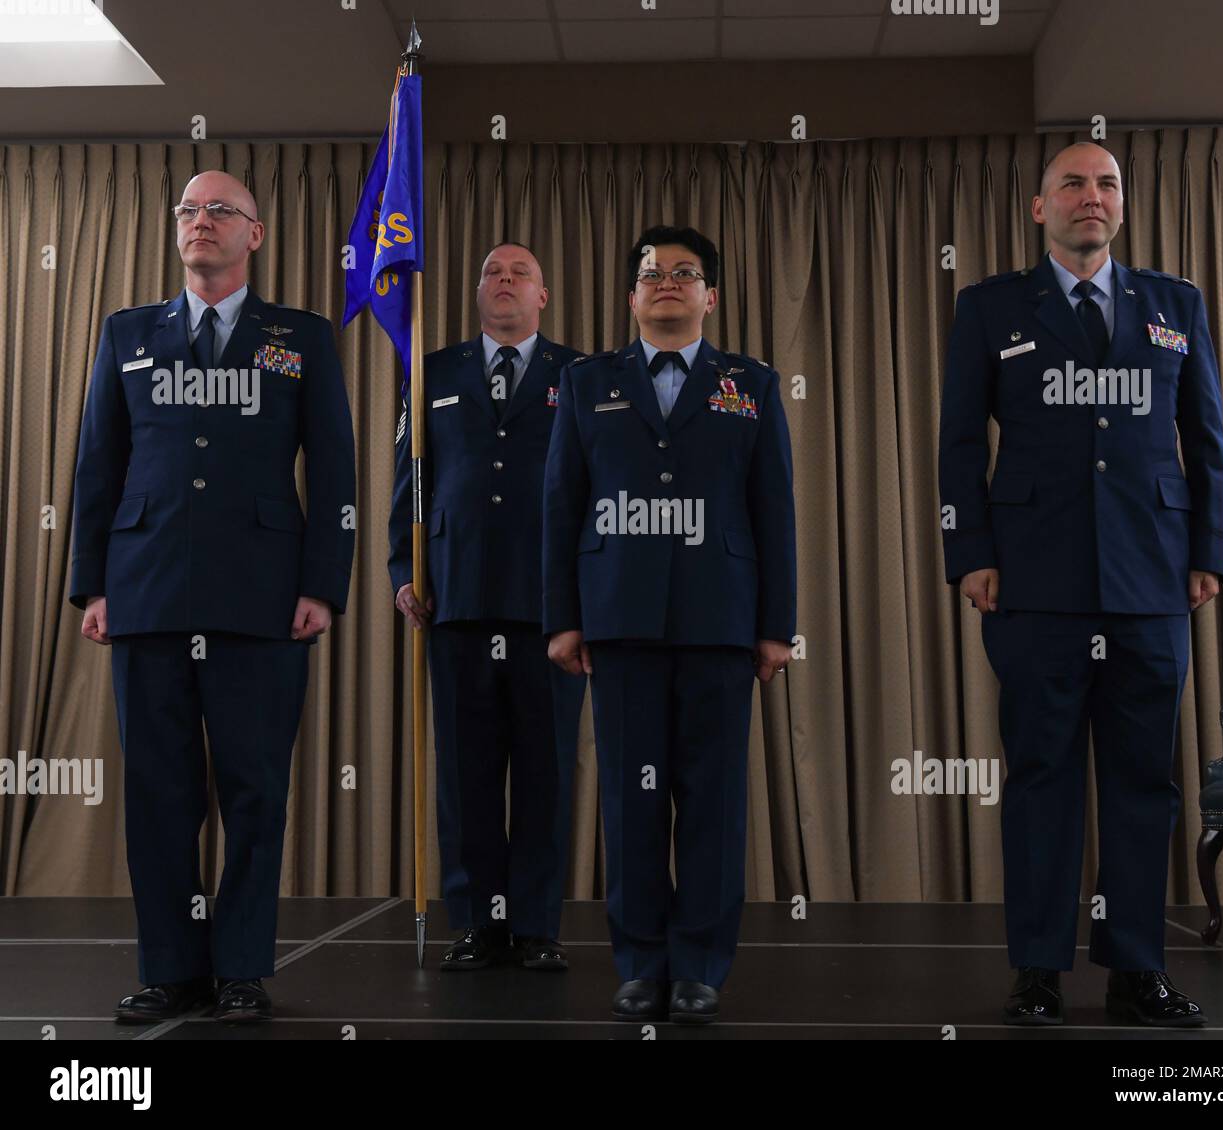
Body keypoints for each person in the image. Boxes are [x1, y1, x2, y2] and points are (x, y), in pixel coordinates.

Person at [939, 142, 1223, 1027]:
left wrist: (1209, 552)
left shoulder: (1176, 305)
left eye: (1106, 184)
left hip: (1150, 580)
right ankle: (1038, 969)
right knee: (1040, 778)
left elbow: (1207, 440)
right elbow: (958, 445)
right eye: (1072, 183)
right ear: (1040, 209)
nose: (1090, 197)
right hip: (1033, 580)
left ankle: (1138, 968)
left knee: (1145, 783)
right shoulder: (989, 308)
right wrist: (970, 554)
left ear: (1123, 206)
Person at [70, 170, 356, 1023]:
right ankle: (172, 969)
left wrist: (323, 586)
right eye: (189, 211)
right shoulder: (127, 333)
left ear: (254, 236)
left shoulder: (299, 336)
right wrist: (92, 584)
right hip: (147, 588)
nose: (201, 222)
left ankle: (239, 968)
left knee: (254, 788)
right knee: (160, 794)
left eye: (220, 211)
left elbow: (335, 467)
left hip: (264, 596)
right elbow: (98, 468)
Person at [543, 225, 797, 1024]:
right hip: (619, 620)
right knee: (631, 799)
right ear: (631, 294)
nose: (667, 283)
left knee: (713, 801)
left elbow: (774, 512)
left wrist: (775, 627)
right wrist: (563, 619)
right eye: (651, 272)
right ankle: (640, 960)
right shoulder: (586, 383)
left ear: (710, 296)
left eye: (685, 273)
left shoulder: (749, 383)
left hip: (721, 621)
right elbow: (561, 508)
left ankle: (699, 964)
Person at [389, 243, 586, 971]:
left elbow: (593, 491)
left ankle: (535, 925)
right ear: (478, 294)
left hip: (550, 606)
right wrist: (405, 566)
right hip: (457, 596)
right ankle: (477, 921)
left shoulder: (582, 376)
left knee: (546, 769)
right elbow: (409, 477)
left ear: (542, 297)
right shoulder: (432, 371)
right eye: (491, 274)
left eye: (520, 274)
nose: (504, 282)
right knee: (467, 773)